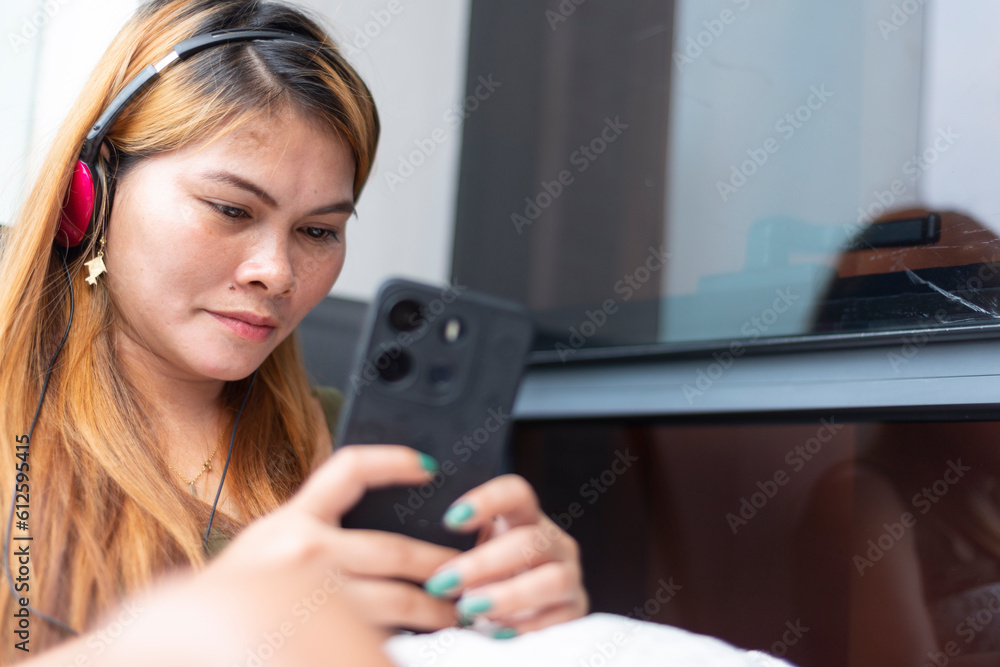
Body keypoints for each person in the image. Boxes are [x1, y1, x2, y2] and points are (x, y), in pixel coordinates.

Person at [0, 0, 587, 662]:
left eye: (317, 231)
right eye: (230, 208)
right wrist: (210, 626)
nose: (277, 273)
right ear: (94, 192)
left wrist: (522, 619)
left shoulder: (350, 449)